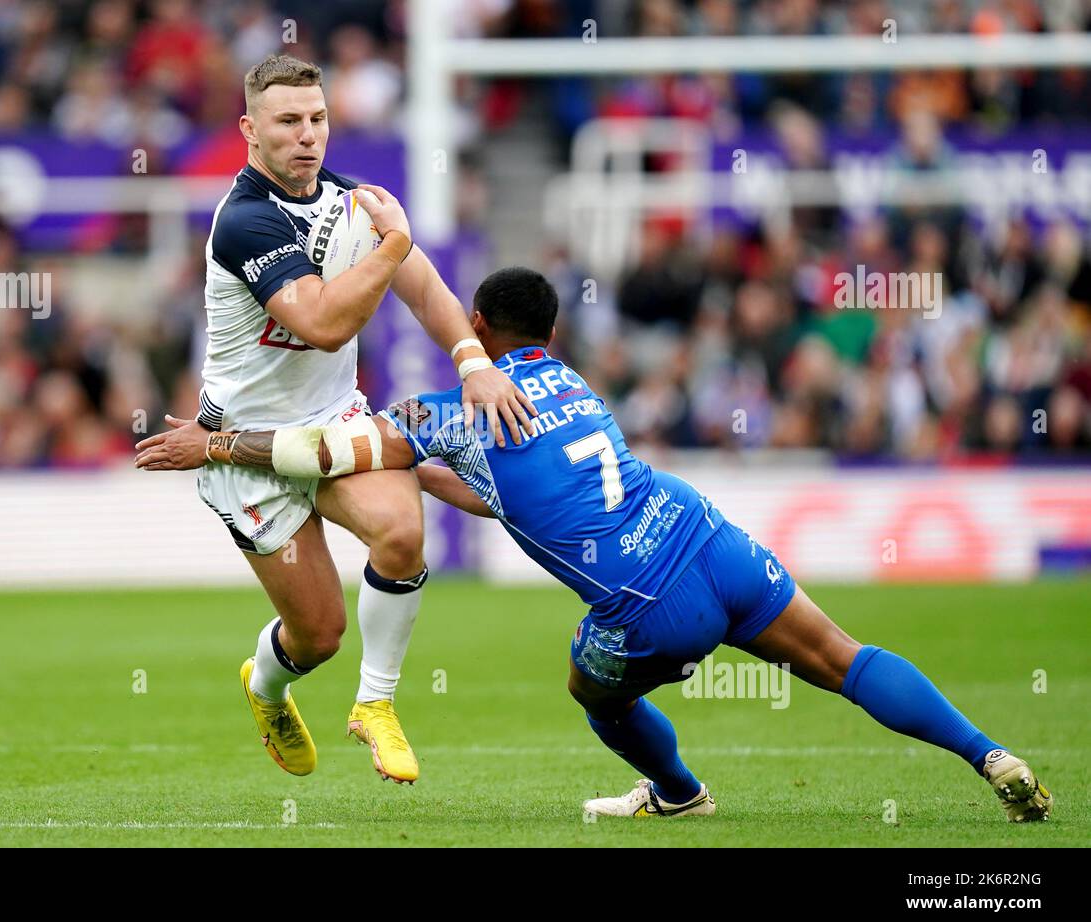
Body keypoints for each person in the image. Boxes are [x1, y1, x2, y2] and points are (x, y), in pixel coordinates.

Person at [137, 266, 1052, 823]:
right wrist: (422, 474)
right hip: (702, 532)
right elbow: (514, 500)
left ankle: (679, 792)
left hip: (646, 603)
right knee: (842, 659)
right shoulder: (570, 380)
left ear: (478, 334)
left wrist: (213, 444)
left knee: (592, 690)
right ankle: (988, 754)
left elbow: (321, 450)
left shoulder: (454, 409)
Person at [153, 54, 535, 784]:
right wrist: (392, 245)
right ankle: (265, 689)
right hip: (245, 448)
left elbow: (427, 293)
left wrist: (473, 362)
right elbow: (324, 324)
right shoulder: (243, 222)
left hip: (330, 422)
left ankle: (376, 705)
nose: (307, 136)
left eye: (318, 119)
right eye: (288, 122)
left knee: (400, 533)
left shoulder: (356, 202)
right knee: (319, 633)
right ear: (250, 130)